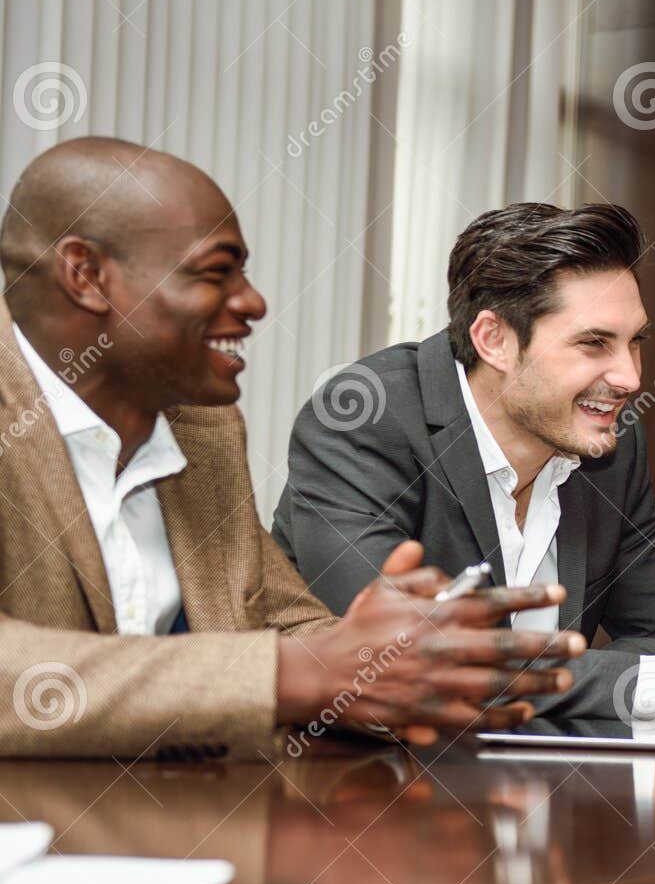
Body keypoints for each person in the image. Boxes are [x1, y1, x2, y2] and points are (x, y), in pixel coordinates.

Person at [0, 137, 579, 759]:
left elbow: (283, 621)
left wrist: (397, 657)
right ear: (86, 275)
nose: (253, 302)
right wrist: (290, 676)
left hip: (187, 834)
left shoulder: (201, 426)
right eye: (215, 272)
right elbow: (289, 664)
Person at [273, 202, 655, 722]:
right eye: (593, 343)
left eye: (634, 342)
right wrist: (651, 682)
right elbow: (403, 658)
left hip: (535, 783)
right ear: (494, 340)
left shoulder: (610, 444)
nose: (630, 378)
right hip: (347, 783)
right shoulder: (364, 419)